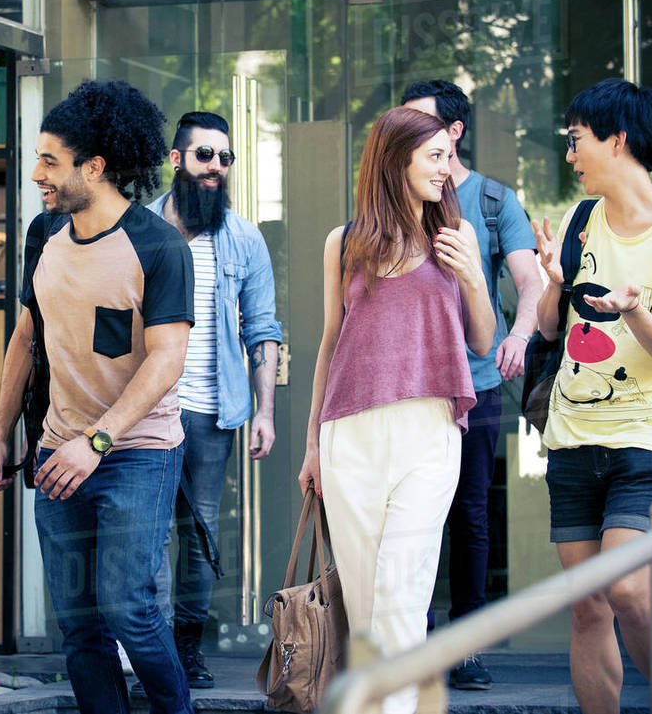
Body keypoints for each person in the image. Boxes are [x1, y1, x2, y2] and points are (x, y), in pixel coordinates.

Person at [0, 80, 195, 714]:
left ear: (94, 167)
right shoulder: (44, 234)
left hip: (137, 451)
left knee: (128, 607)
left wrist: (97, 442)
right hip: (54, 452)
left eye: (50, 160)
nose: (37, 174)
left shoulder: (158, 246)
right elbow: (26, 338)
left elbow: (167, 359)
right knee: (80, 625)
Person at [299, 106, 495, 714]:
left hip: (429, 430)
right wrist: (312, 445)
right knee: (365, 607)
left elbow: (483, 341)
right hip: (348, 433)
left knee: (401, 593)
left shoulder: (455, 239)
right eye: (434, 156)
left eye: (448, 156)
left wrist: (473, 280)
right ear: (396, 159)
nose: (446, 168)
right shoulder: (343, 243)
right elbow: (331, 343)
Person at [533, 79, 652, 714]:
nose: (572, 156)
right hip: (573, 436)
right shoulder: (582, 221)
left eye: (578, 141)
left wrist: (633, 310)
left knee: (629, 591)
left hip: (646, 440)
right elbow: (551, 330)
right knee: (587, 605)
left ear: (618, 139)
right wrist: (554, 282)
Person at [401, 80, 543, 690]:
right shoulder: (396, 198)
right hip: (413, 389)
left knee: (472, 516)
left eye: (424, 124)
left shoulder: (491, 201)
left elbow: (530, 282)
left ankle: (466, 645)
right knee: (412, 517)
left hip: (478, 382)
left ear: (453, 132)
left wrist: (520, 335)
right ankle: (417, 639)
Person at [145, 111, 282, 688]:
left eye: (224, 158)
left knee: (198, 534)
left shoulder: (243, 237)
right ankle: (151, 656)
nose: (216, 168)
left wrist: (265, 411)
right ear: (176, 161)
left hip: (209, 411)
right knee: (148, 535)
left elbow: (263, 328)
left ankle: (187, 649)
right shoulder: (139, 228)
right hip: (145, 408)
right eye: (204, 155)